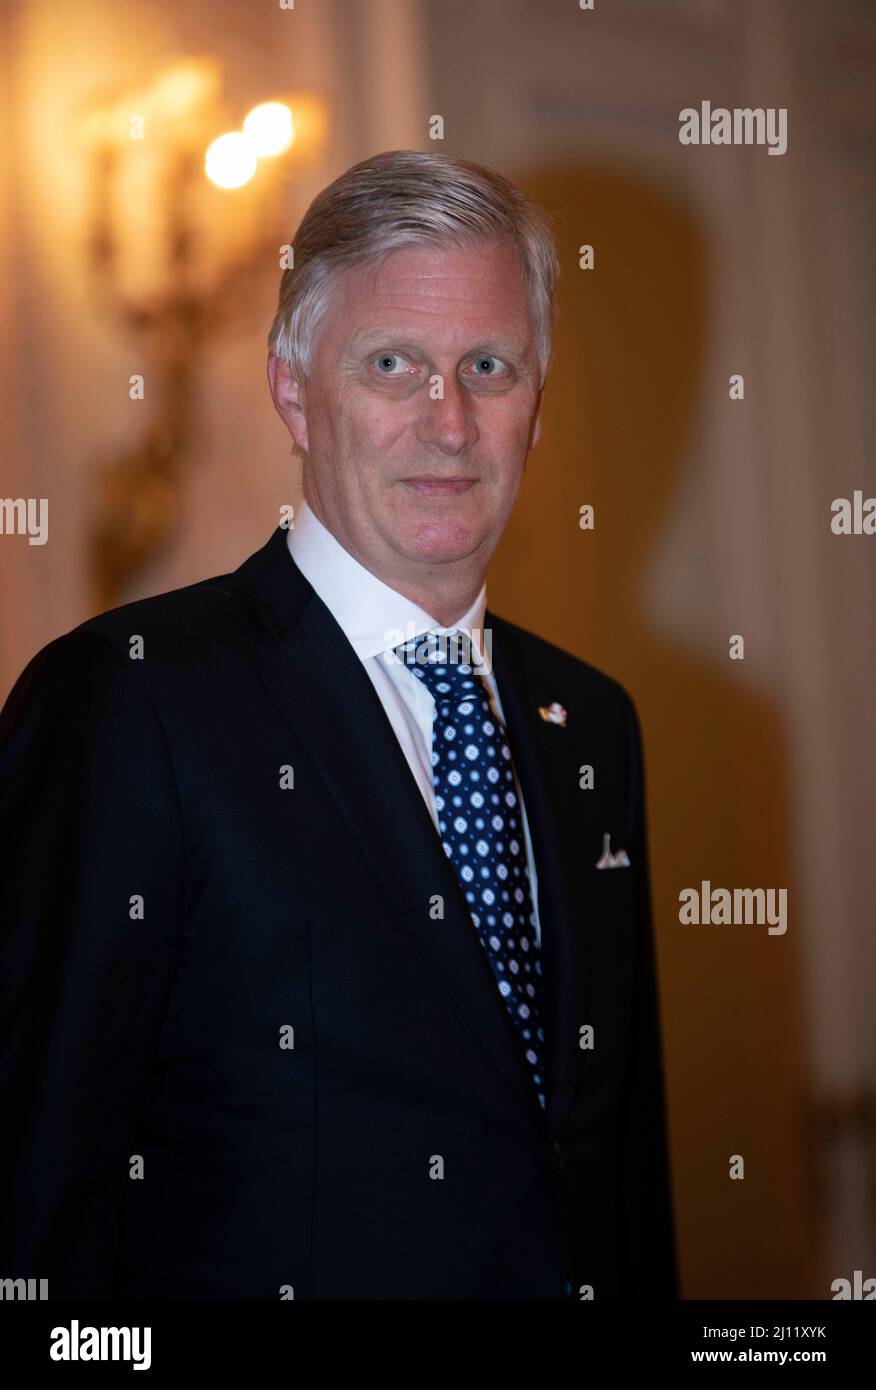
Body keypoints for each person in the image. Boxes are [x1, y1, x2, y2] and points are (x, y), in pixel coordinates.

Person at [0, 150, 677, 1300]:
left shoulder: (592, 726)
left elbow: (619, 1174)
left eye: (489, 366)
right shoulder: (129, 699)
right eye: (391, 363)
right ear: (294, 392)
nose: (448, 419)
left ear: (538, 405)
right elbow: (32, 1187)